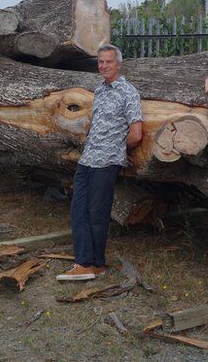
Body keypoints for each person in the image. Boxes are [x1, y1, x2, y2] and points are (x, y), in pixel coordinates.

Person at [56, 44, 143, 281]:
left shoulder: (128, 92)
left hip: (107, 161)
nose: (104, 66)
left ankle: (95, 264)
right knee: (78, 210)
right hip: (87, 160)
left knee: (97, 213)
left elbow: (136, 133)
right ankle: (84, 262)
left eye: (109, 61)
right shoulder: (100, 91)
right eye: (101, 62)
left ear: (119, 64)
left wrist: (115, 148)